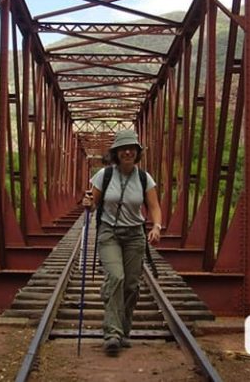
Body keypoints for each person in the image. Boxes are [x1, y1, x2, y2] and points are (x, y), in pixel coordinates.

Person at [82, 129, 162, 356]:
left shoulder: (145, 178)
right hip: (109, 233)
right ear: (116, 153)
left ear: (137, 152)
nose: (127, 152)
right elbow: (92, 203)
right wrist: (87, 203)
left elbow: (154, 207)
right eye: (123, 149)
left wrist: (156, 226)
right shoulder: (103, 175)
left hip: (135, 235)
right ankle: (112, 333)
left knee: (131, 286)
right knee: (116, 277)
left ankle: (124, 330)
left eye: (132, 148)